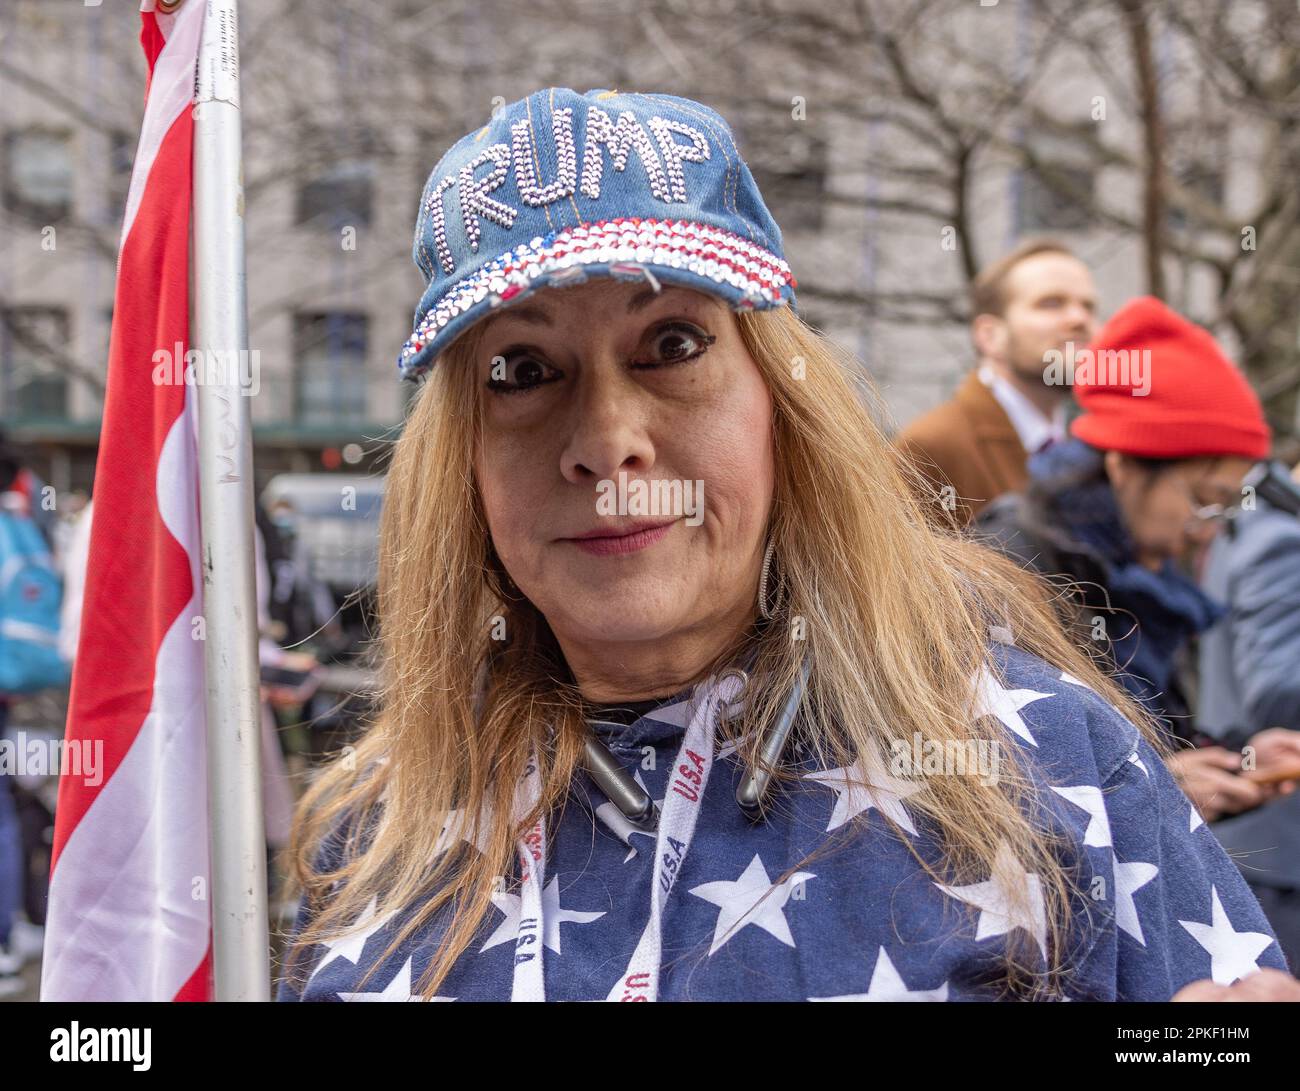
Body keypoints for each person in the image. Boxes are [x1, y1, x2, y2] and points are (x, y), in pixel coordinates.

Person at [276, 89, 1296, 1002]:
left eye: (671, 344)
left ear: (781, 403)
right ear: (460, 460)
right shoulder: (371, 834)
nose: (602, 442)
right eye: (521, 369)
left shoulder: (1053, 766)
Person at [976, 296, 1300, 829]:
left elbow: (1159, 739)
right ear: (1123, 465)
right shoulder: (1014, 564)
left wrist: (1239, 759)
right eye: (1203, 497)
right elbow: (991, 771)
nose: (1211, 527)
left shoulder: (1147, 578)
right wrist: (1154, 786)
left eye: (1226, 504)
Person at [896, 239, 1097, 526]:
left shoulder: (1094, 450)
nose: (1080, 319)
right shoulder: (932, 448)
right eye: (1051, 303)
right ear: (989, 336)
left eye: (1088, 307)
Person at [1197, 452, 1300, 967]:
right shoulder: (1284, 541)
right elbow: (1277, 691)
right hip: (1279, 853)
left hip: (1249, 832)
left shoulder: (1251, 522)